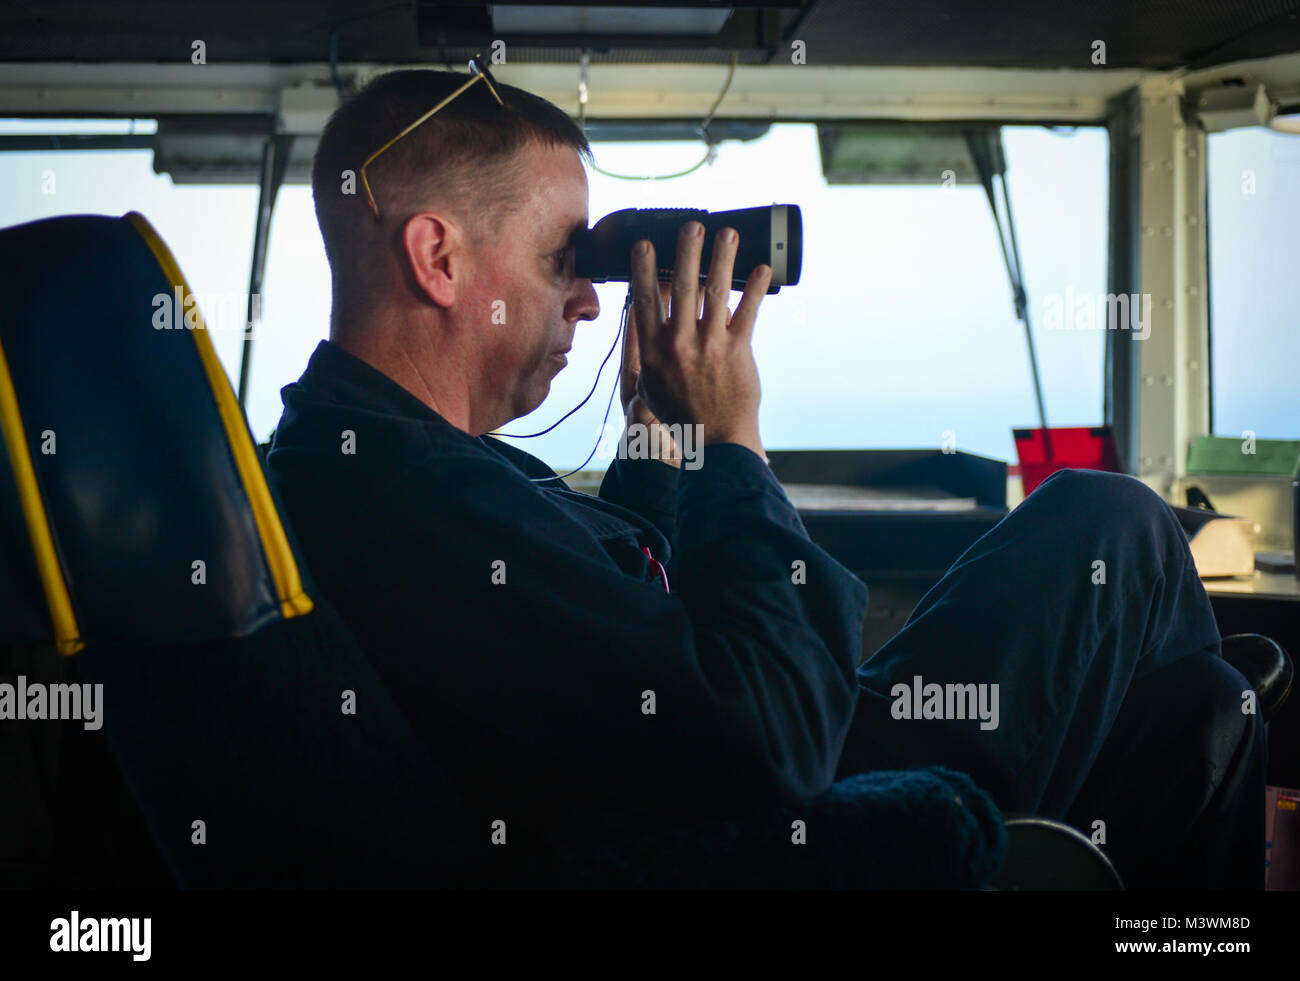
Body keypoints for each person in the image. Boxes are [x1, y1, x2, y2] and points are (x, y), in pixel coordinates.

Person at [266, 68, 1263, 889]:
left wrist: (663, 439)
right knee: (1109, 520)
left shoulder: (372, 459)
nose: (583, 300)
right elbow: (766, 743)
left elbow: (616, 626)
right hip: (805, 800)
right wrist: (735, 441)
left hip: (746, 752)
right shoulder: (410, 499)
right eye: (561, 258)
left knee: (1199, 710)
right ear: (438, 257)